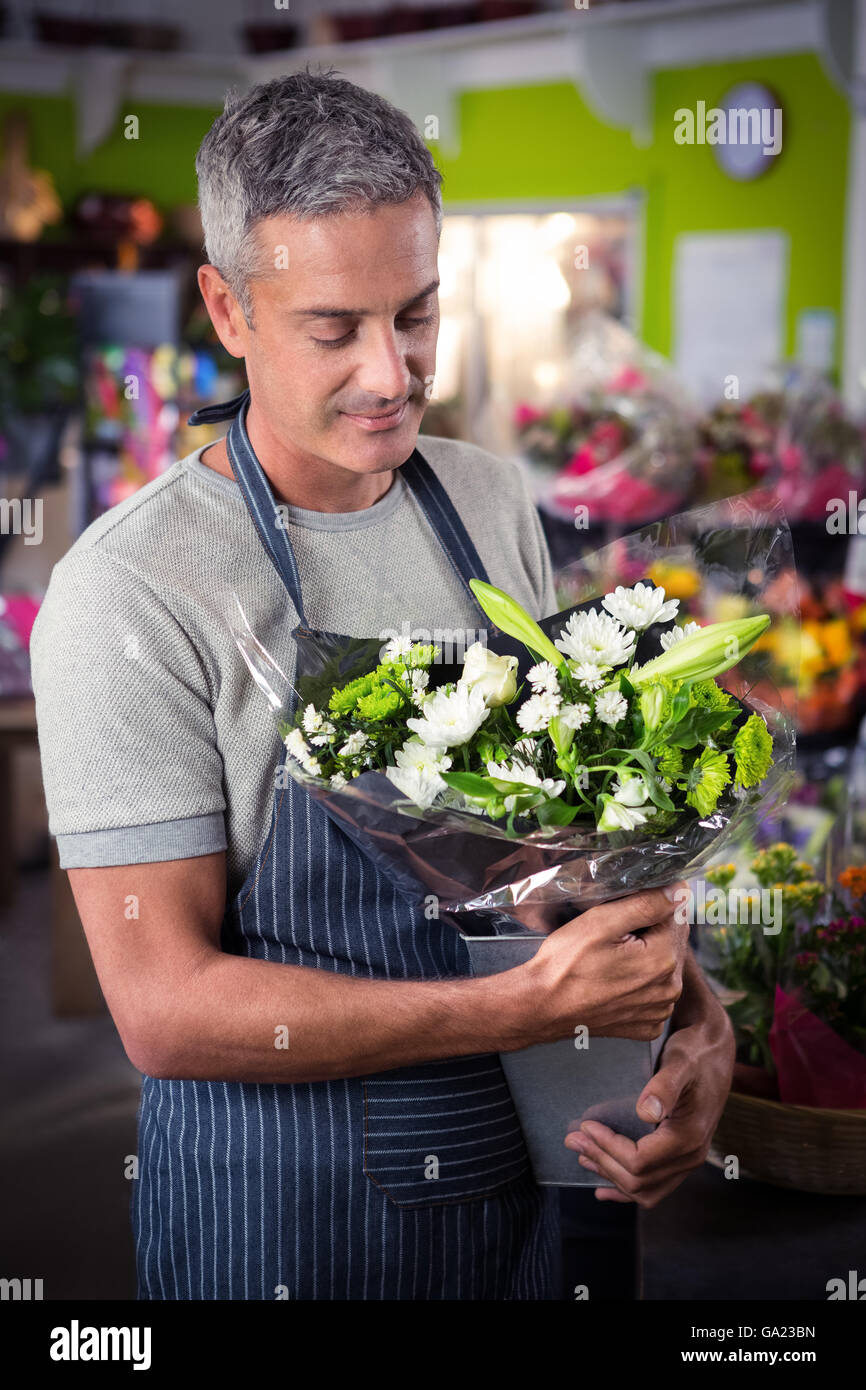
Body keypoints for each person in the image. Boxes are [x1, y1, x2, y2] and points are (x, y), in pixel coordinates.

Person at [30, 69, 734, 1302]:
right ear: (227, 309)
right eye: (332, 327)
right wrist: (519, 1008)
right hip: (289, 1225)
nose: (390, 374)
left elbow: (557, 849)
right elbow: (163, 1008)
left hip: (541, 1181)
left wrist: (690, 1024)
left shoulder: (486, 499)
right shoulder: (132, 594)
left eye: (415, 314)